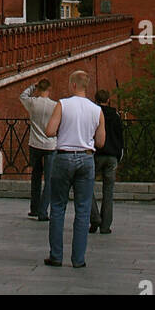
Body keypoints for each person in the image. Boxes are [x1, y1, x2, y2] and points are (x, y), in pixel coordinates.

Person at [43, 70, 105, 268]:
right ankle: (78, 259)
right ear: (86, 86)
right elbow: (101, 142)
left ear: (73, 85)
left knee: (58, 207)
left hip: (63, 157)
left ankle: (56, 256)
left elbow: (50, 131)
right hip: (87, 159)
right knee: (83, 210)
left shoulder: (63, 104)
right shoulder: (97, 110)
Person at [19, 78, 57, 221]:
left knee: (35, 176)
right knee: (49, 179)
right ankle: (43, 211)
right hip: (50, 145)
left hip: (34, 143)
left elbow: (22, 96)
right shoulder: (54, 105)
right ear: (49, 89)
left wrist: (32, 87)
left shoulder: (33, 103)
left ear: (39, 89)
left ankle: (34, 209)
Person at [89, 89, 124, 235]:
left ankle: (95, 218)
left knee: (87, 187)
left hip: (96, 155)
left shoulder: (94, 114)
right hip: (112, 156)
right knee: (108, 192)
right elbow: (120, 136)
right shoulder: (116, 115)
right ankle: (105, 225)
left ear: (95, 99)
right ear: (108, 99)